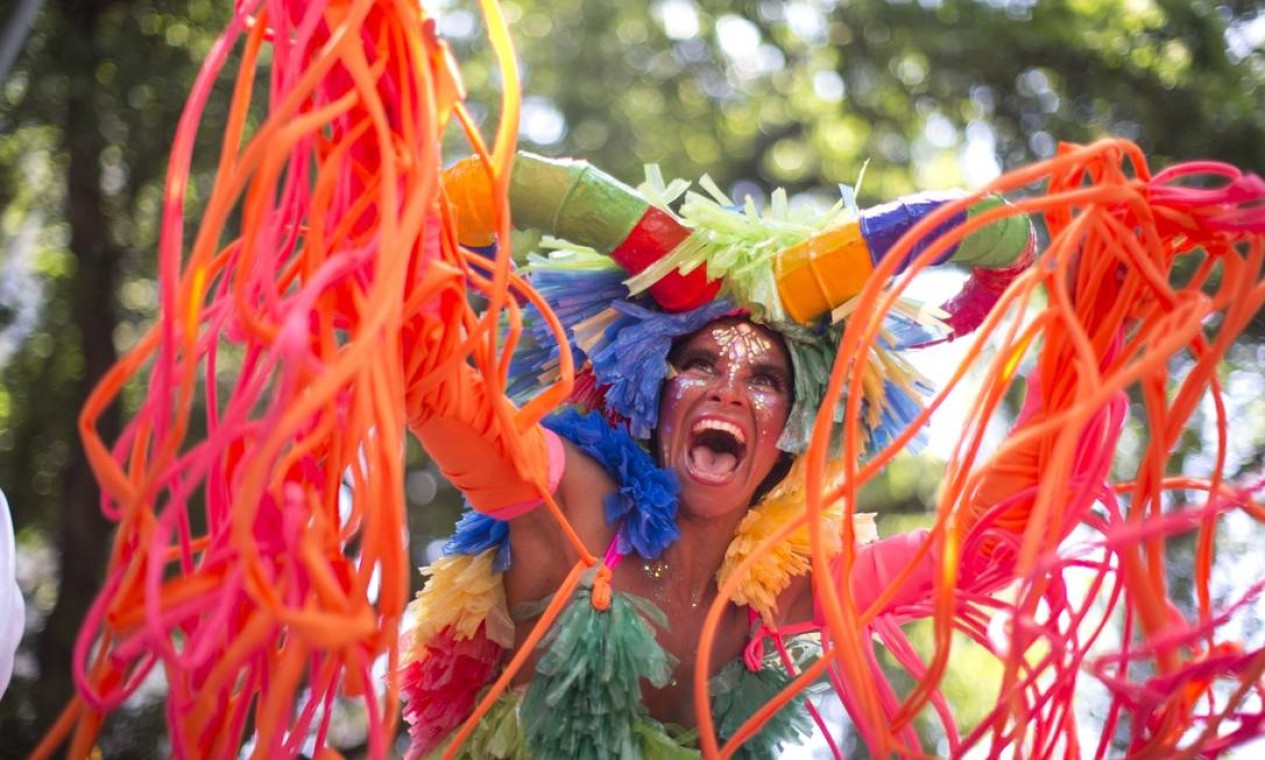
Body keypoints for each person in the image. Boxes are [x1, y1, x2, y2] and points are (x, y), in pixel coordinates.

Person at [400, 152, 1038, 758]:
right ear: (656, 397)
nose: (728, 390)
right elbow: (436, 392)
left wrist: (1084, 348)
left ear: (793, 429)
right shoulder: (572, 498)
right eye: (699, 364)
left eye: (765, 380)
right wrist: (406, 250)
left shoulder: (777, 587)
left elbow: (980, 549)